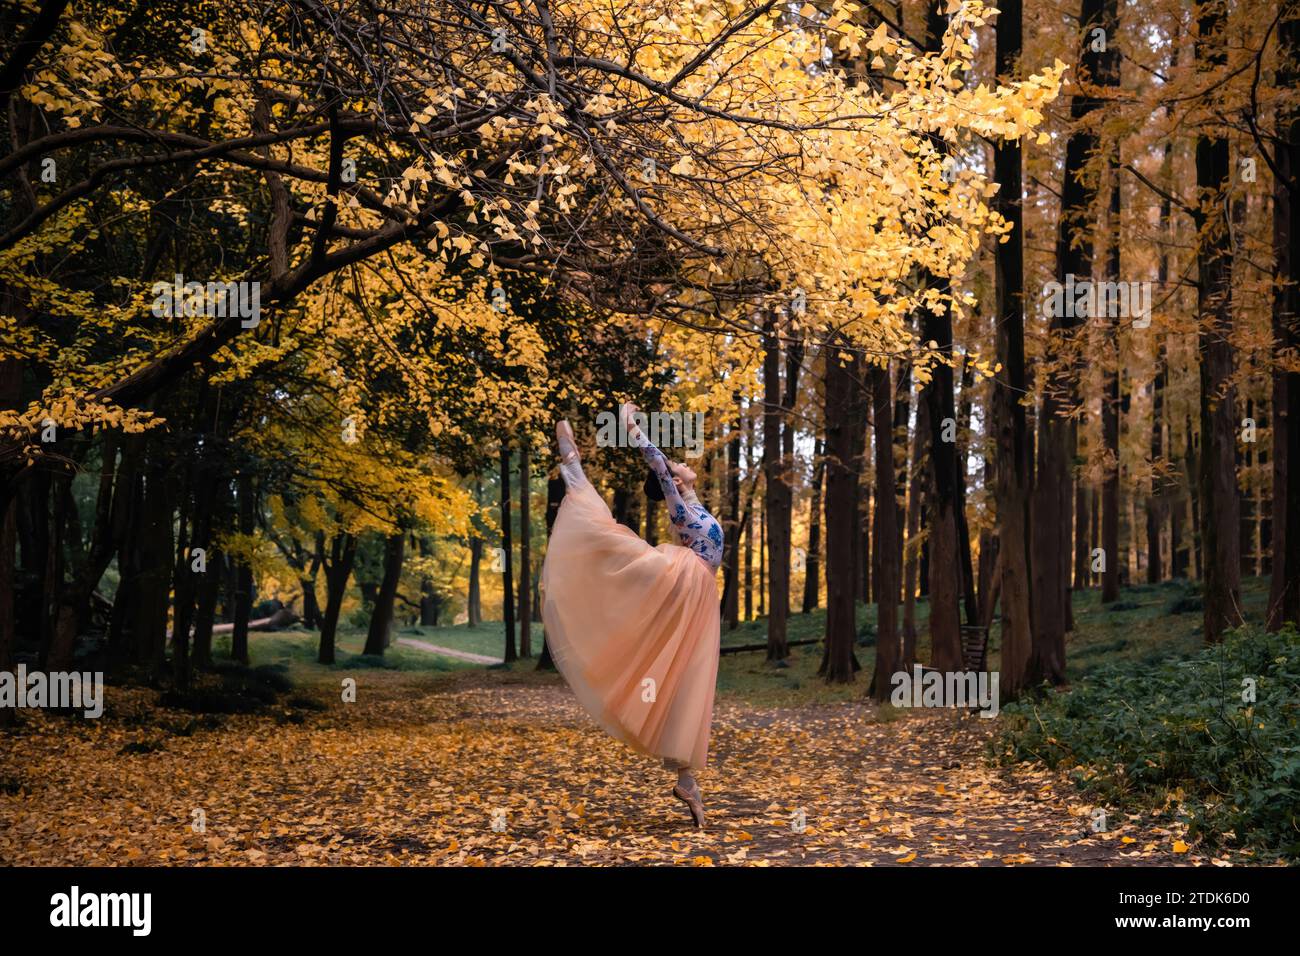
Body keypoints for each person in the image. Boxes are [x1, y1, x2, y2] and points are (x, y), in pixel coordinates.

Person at [539, 403, 723, 827]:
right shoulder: (678, 502)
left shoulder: (692, 503)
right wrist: (632, 426)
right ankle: (573, 470)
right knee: (610, 542)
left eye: (677, 465)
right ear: (674, 481)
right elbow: (658, 463)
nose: (679, 464)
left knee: (684, 677)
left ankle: (686, 781)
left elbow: (674, 475)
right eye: (676, 467)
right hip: (683, 579)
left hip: (697, 593)